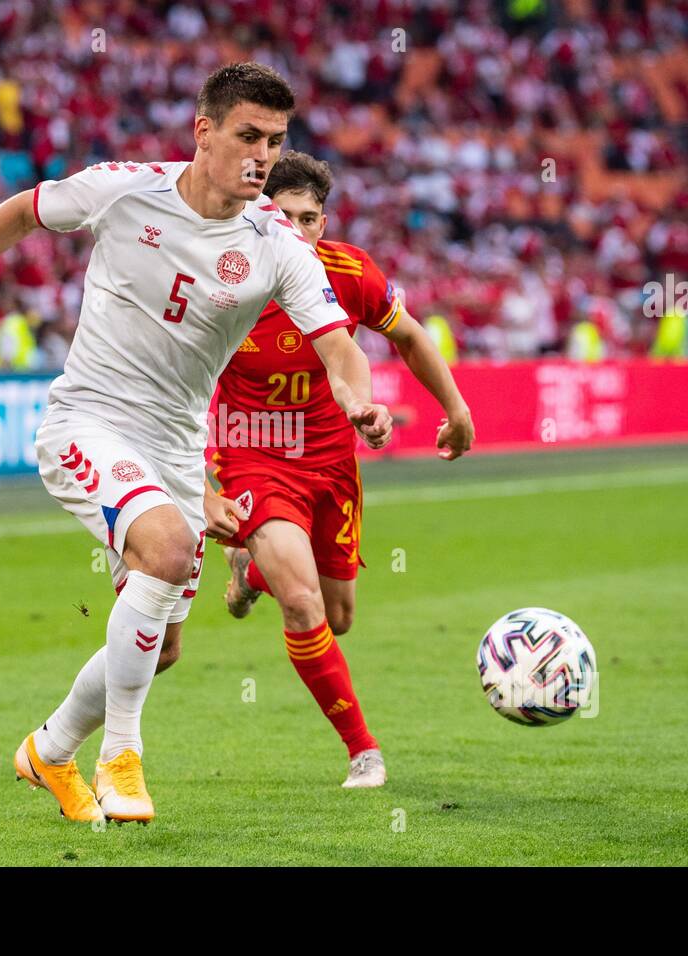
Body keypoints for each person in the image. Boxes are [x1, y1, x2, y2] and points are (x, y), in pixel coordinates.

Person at [0, 64, 393, 824]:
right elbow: (22, 213)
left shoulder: (278, 242)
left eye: (276, 141)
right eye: (248, 136)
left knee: (164, 644)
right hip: (88, 419)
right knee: (163, 548)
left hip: (176, 449)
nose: (261, 155)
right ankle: (122, 755)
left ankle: (50, 751)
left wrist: (357, 395)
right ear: (204, 132)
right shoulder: (127, 188)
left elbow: (337, 344)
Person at [205, 151, 474, 788]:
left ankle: (250, 570)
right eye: (286, 217)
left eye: (311, 219)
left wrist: (455, 408)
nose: (299, 232)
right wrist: (201, 478)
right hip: (253, 454)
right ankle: (363, 751)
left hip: (331, 461)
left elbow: (406, 337)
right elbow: (184, 388)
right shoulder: (226, 282)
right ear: (258, 216)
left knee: (339, 614)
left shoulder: (349, 272)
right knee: (303, 605)